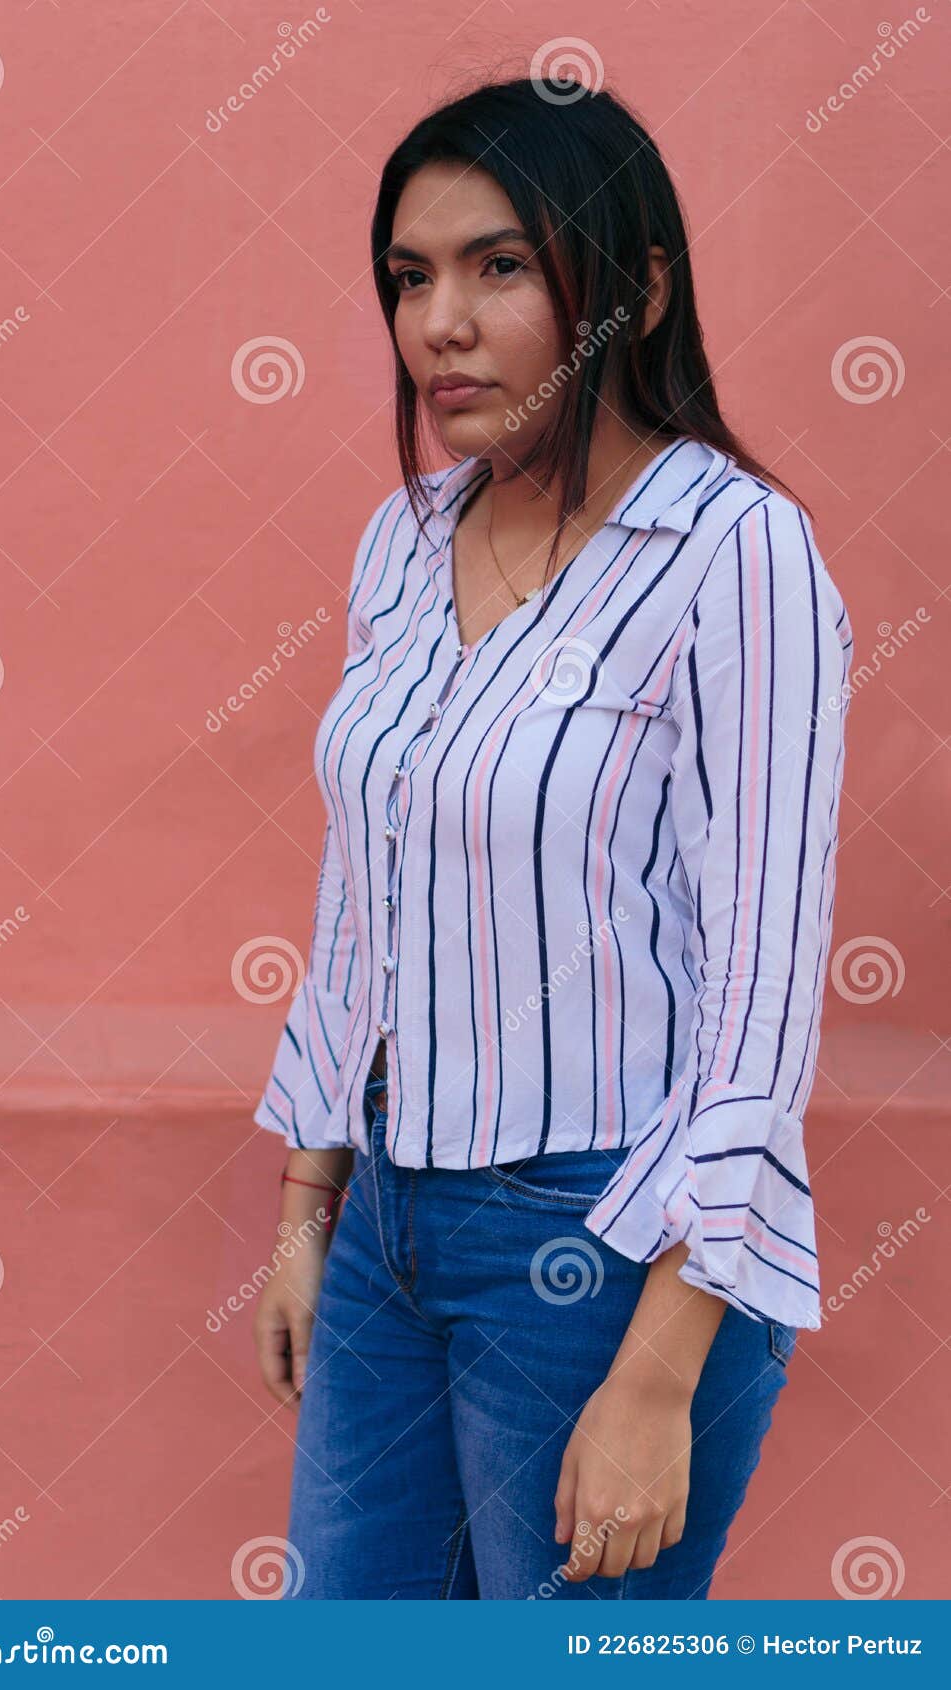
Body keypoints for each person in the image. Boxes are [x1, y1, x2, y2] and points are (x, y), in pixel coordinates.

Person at [250, 75, 853, 1600]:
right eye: (410, 277)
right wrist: (311, 1208)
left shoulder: (737, 553)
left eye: (500, 266)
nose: (439, 324)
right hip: (386, 1221)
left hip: (605, 1242)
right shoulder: (406, 538)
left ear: (635, 291)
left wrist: (658, 1369)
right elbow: (360, 896)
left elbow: (764, 991)